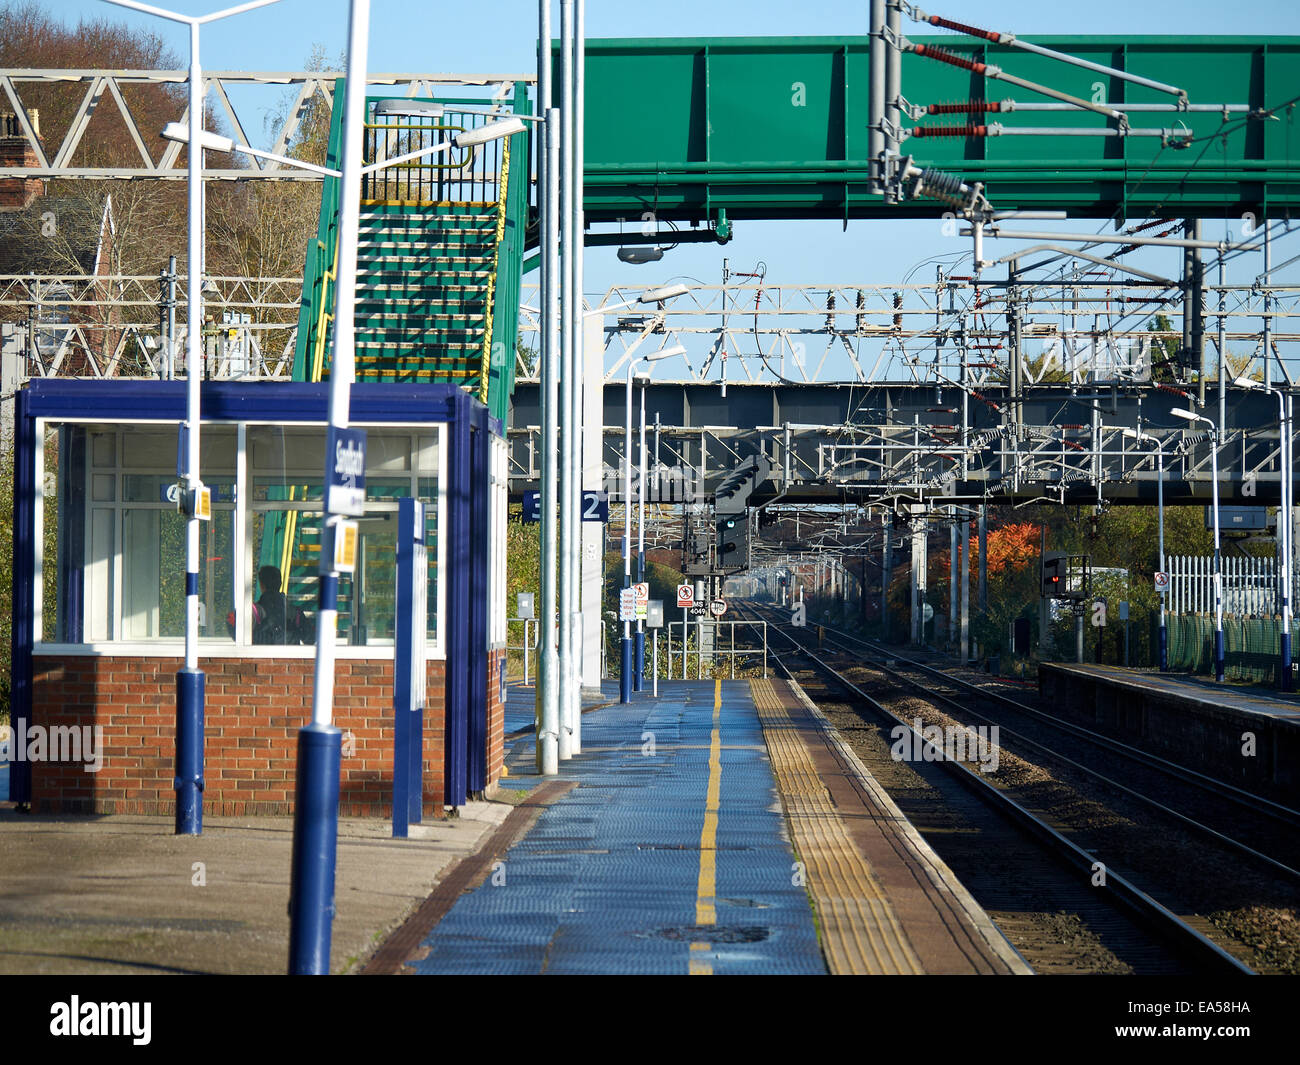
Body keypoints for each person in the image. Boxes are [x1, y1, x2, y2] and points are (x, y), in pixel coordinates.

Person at [251, 565, 311, 645]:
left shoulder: (255, 612)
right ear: (280, 584)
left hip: (260, 656)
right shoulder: (296, 613)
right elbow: (310, 638)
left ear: (261, 585)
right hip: (290, 656)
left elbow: (237, 632)